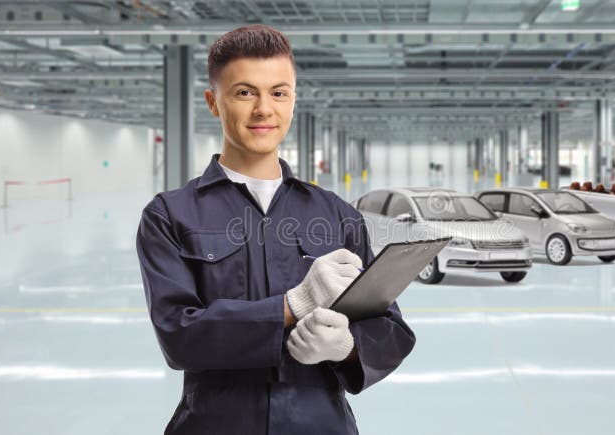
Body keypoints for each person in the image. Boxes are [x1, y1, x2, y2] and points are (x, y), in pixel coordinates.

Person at [135, 24, 415, 435]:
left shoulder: (338, 215)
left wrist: (347, 348)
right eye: (245, 92)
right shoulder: (169, 216)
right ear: (213, 102)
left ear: (293, 101)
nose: (264, 109)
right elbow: (179, 336)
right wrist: (295, 304)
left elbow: (390, 330)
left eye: (278, 92)